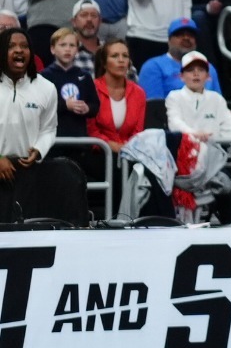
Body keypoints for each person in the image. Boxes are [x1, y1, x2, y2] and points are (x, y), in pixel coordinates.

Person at [0, 28, 89, 222]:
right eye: (11, 46)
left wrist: (39, 149)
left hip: (28, 172)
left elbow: (49, 128)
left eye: (24, 46)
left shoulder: (46, 88)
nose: (19, 50)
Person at [87, 39, 146, 152]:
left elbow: (138, 132)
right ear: (104, 63)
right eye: (115, 56)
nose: (121, 60)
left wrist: (126, 148)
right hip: (98, 152)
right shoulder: (92, 89)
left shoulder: (138, 93)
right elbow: (92, 131)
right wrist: (113, 147)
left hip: (130, 152)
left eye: (125, 56)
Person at [41, 25, 96, 140]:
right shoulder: (44, 76)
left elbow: (95, 105)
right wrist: (65, 105)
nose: (67, 49)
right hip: (53, 139)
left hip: (79, 139)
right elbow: (41, 106)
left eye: (72, 45)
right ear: (52, 49)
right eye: (62, 45)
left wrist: (87, 108)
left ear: (77, 49)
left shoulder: (84, 76)